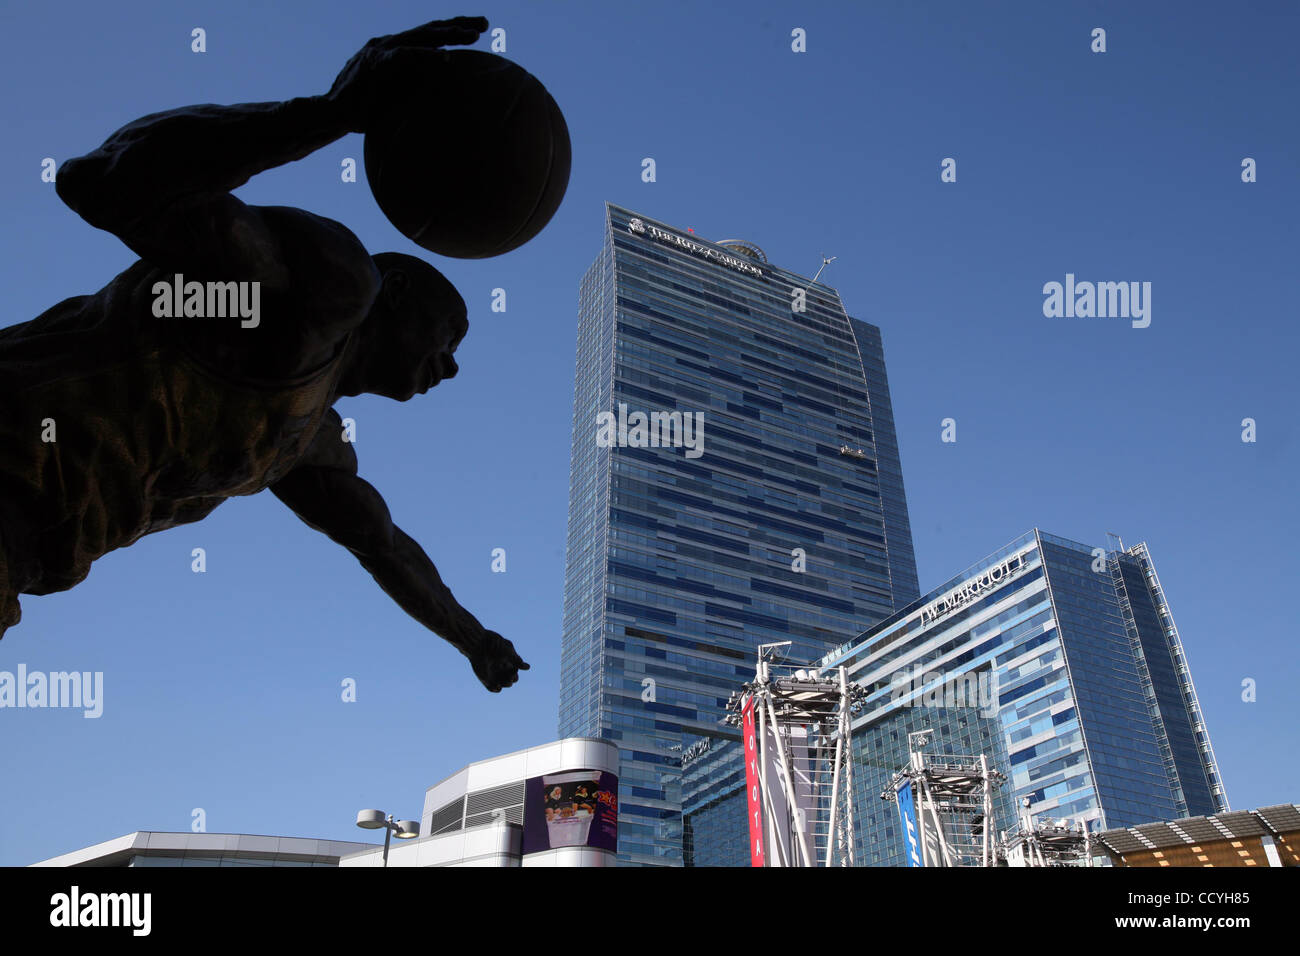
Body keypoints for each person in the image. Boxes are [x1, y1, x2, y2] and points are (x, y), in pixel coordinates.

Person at [0, 16, 530, 692]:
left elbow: (383, 547)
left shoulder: (306, 440)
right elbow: (105, 180)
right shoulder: (329, 285)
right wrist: (331, 113)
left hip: (20, 555)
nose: (449, 366)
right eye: (448, 336)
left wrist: (473, 638)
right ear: (395, 292)